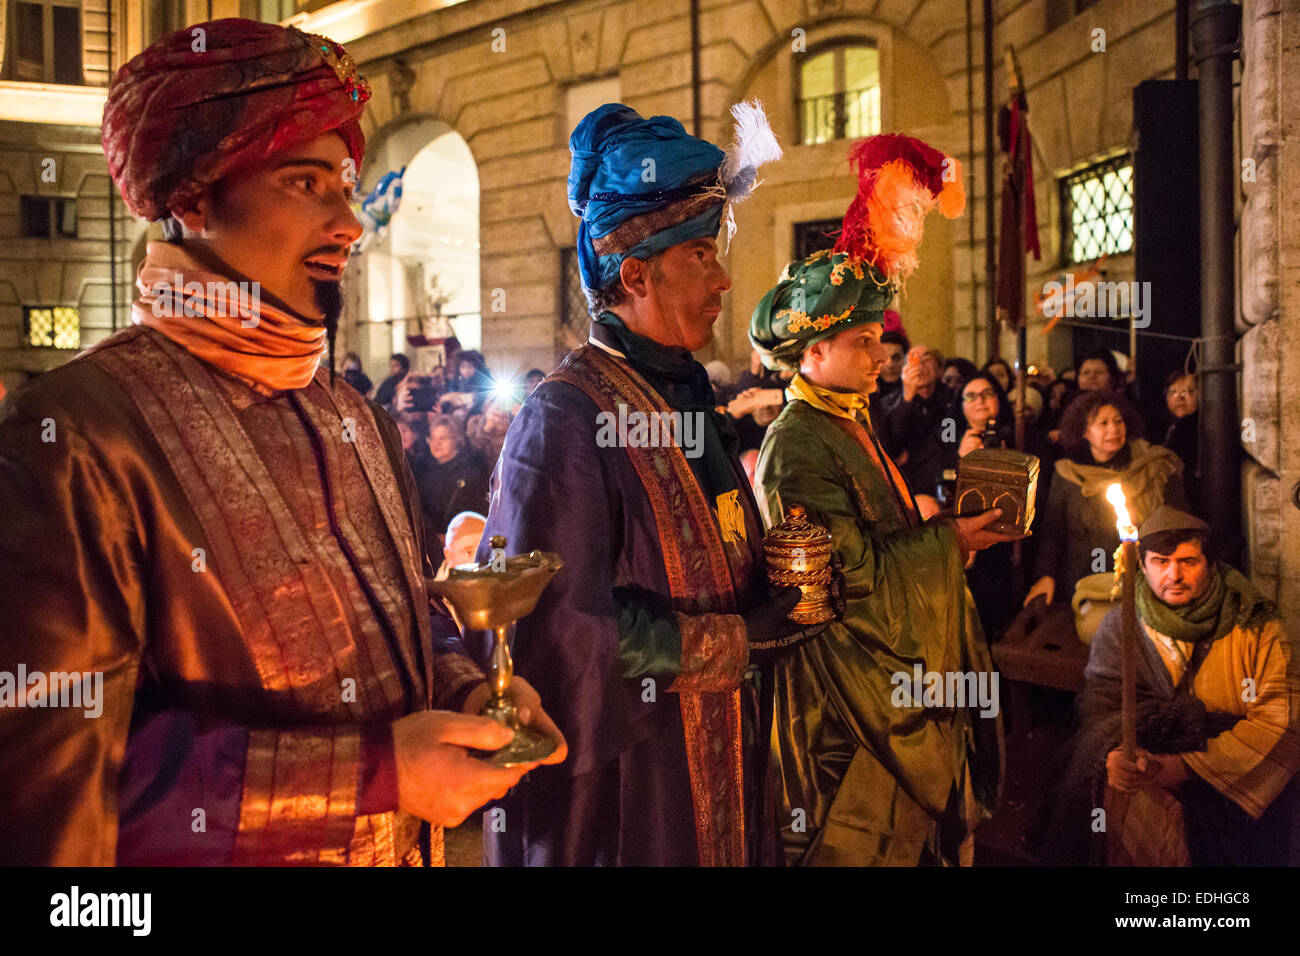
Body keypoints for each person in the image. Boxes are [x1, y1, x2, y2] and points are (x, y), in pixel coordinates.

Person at [0, 19, 564, 866]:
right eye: (306, 183)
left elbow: (399, 628)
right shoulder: (77, 437)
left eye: (347, 187)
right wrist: (375, 775)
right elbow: (55, 800)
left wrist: (462, 692)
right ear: (190, 196)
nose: (349, 225)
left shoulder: (356, 421)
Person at [478, 101, 800, 867]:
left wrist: (779, 572)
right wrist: (737, 639)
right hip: (638, 795)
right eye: (701, 256)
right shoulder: (563, 418)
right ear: (635, 274)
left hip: (728, 765)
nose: (725, 280)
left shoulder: (693, 397)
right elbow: (561, 631)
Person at [750, 133, 1010, 866]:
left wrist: (933, 527)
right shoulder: (796, 443)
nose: (880, 359)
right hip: (843, 706)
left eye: (879, 342)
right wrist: (948, 546)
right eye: (864, 343)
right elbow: (831, 584)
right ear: (811, 353)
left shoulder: (846, 420)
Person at [1044, 507, 1300, 865]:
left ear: (1210, 566)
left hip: (1230, 782)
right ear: (1142, 567)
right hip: (1147, 769)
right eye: (1161, 562)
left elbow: (1281, 721)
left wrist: (1189, 766)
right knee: (1114, 805)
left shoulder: (1254, 624)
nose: (1174, 575)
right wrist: (1113, 756)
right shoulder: (1123, 624)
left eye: (1188, 562)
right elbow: (1101, 705)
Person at [1025, 390, 1187, 610]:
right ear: (1084, 431)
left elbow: (1177, 526)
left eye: (1118, 421)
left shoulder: (1154, 466)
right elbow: (1053, 533)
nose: (1114, 429)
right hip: (1083, 583)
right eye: (1103, 423)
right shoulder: (1068, 474)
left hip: (1144, 582)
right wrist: (1045, 575)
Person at [944, 372, 1017, 637]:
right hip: (971, 546)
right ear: (961, 405)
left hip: (1012, 543)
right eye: (971, 396)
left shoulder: (1020, 434)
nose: (980, 401)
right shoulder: (951, 440)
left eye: (988, 394)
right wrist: (962, 460)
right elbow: (941, 492)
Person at [878, 343, 952, 500]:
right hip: (907, 489)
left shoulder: (951, 400)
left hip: (943, 484)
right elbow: (892, 447)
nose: (919, 365)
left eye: (926, 359)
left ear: (939, 370)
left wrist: (912, 456)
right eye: (913, 359)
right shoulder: (889, 402)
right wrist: (907, 399)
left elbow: (948, 442)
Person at [870, 329, 909, 416]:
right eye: (884, 358)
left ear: (905, 359)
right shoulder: (864, 394)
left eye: (896, 357)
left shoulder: (916, 391)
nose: (890, 365)